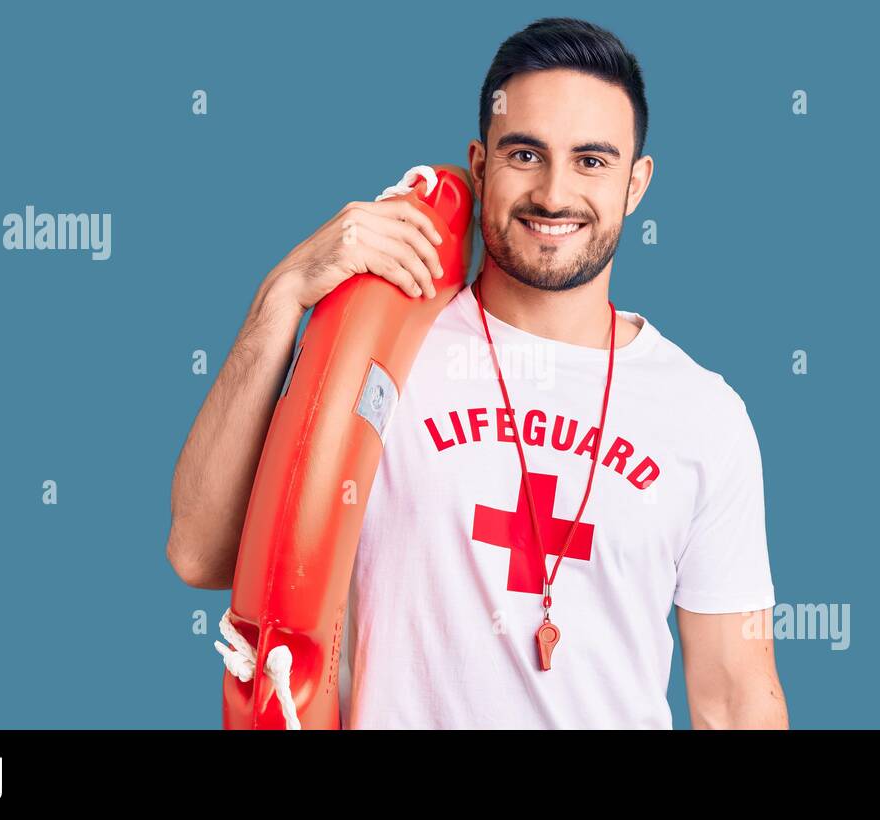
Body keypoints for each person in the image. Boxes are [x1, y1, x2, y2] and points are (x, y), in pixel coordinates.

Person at [167, 16, 788, 729]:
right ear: (481, 162)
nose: (555, 195)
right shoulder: (381, 357)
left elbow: (737, 696)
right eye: (526, 154)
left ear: (636, 183)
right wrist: (279, 298)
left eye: (592, 161)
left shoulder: (703, 414)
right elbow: (199, 553)